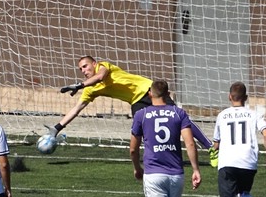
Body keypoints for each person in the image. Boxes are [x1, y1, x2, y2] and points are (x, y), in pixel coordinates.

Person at [52, 55, 211, 147]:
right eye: (80, 69)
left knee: (180, 118)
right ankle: (156, 156)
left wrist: (79, 85)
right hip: (136, 101)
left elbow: (100, 76)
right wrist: (56, 128)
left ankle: (210, 147)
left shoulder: (103, 66)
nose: (83, 70)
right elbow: (77, 108)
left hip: (149, 89)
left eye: (85, 66)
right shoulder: (90, 89)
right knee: (140, 129)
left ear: (94, 63)